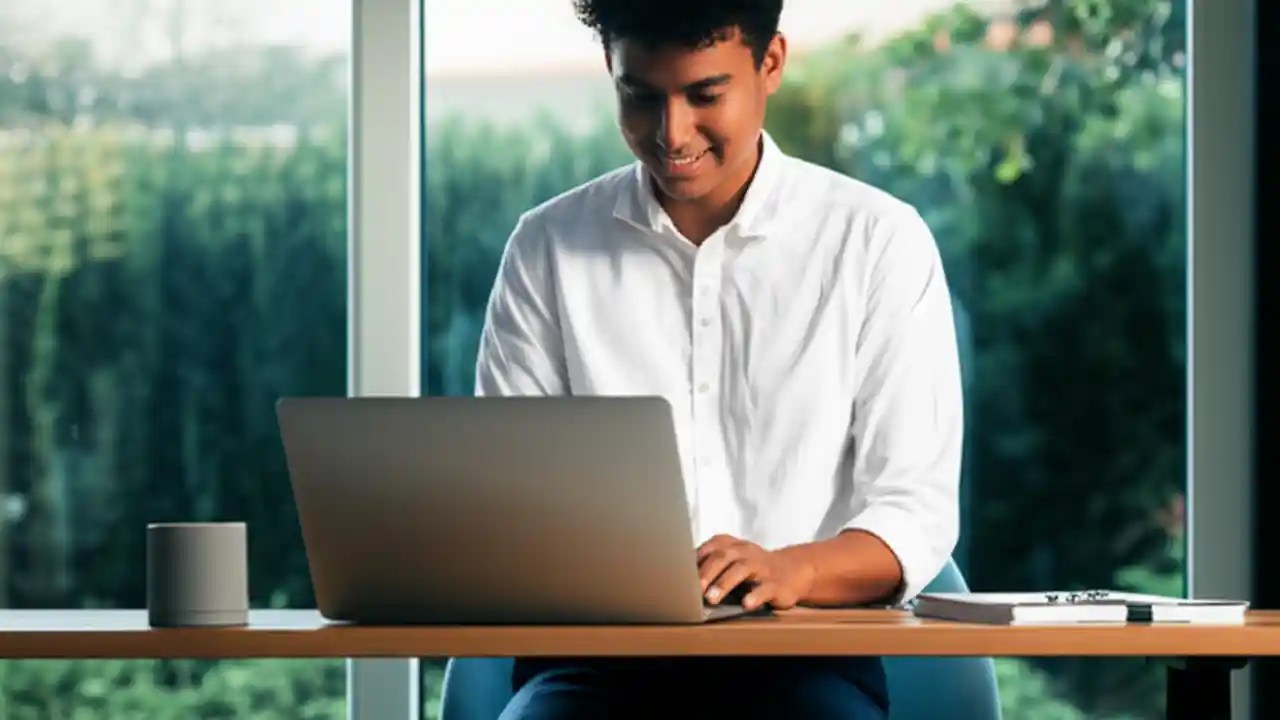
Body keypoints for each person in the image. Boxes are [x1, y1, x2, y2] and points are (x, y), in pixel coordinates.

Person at [473, 0, 964, 716]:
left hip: (806, 660)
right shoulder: (546, 247)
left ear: (771, 64)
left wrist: (793, 569)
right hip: (590, 666)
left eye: (705, 95)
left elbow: (916, 511)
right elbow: (504, 499)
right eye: (641, 96)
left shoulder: (878, 243)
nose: (672, 134)